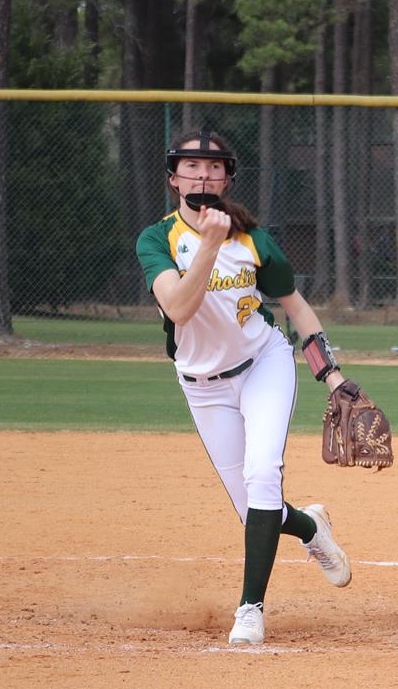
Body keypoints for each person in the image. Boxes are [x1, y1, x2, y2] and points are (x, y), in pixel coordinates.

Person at [134, 131, 355, 645]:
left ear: (227, 179)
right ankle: (310, 528)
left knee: (262, 476)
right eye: (190, 167)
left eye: (213, 168)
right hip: (202, 385)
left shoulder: (254, 239)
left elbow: (294, 306)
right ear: (173, 180)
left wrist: (332, 373)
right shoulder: (156, 240)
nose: (202, 176)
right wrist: (210, 244)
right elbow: (180, 309)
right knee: (255, 508)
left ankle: (250, 610)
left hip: (263, 365)